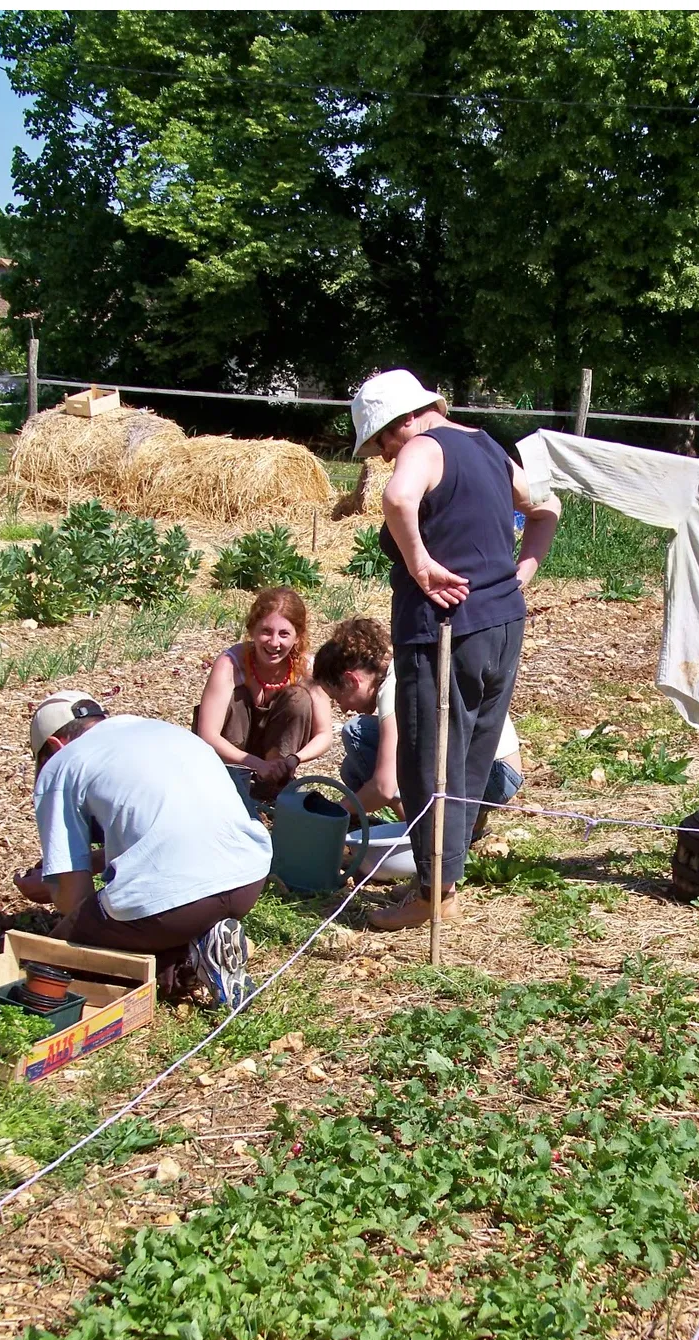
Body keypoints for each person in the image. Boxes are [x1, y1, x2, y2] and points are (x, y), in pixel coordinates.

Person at [348, 369, 559, 930]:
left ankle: (431, 895)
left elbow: (398, 497)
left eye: (382, 441)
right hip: (502, 623)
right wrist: (525, 571)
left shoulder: (423, 444)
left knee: (430, 758)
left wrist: (419, 565)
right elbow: (547, 507)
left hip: (446, 628)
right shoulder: (487, 445)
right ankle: (445, 884)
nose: (388, 453)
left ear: (402, 421)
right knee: (468, 754)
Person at [27, 690, 273, 1007]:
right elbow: (162, 835)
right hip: (247, 880)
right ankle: (200, 947)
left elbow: (73, 895)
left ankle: (181, 956)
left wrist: (50, 886)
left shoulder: (62, 763)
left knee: (53, 960)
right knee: (151, 909)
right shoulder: (159, 730)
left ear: (53, 746)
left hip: (176, 906)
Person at [312, 617, 524, 836]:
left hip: (491, 775)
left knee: (357, 734)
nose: (344, 709)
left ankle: (426, 835)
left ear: (353, 680)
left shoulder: (394, 688)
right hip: (502, 771)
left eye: (339, 698)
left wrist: (336, 813)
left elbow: (384, 786)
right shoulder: (406, 666)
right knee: (352, 767)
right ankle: (455, 825)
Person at [195, 587, 335, 802]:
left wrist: (293, 759)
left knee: (299, 698)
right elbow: (208, 733)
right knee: (238, 695)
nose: (274, 642)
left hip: (279, 758)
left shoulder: (306, 668)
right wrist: (256, 764)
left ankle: (273, 788)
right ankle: (231, 783)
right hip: (232, 756)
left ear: (298, 637)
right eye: (266, 631)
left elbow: (324, 734)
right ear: (252, 630)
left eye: (284, 634)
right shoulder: (231, 663)